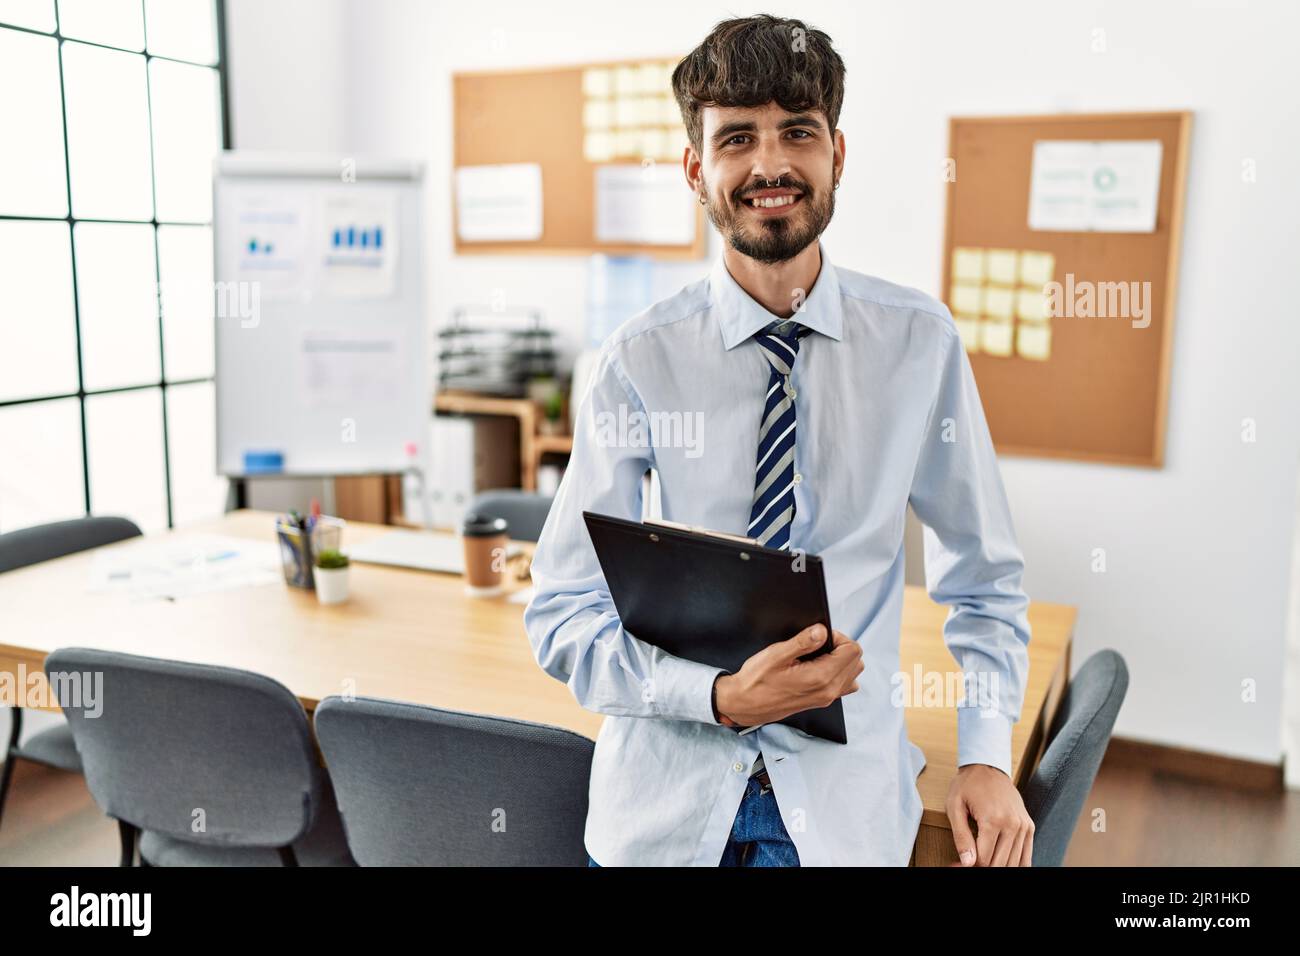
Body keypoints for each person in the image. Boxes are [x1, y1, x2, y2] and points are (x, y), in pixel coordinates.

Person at [524, 13, 1034, 867]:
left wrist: (985, 752)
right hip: (666, 807)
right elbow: (561, 612)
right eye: (736, 139)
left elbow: (985, 580)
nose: (770, 165)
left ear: (838, 152)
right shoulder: (639, 359)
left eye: (797, 131)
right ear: (696, 169)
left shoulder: (919, 345)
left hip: (842, 809)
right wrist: (718, 697)